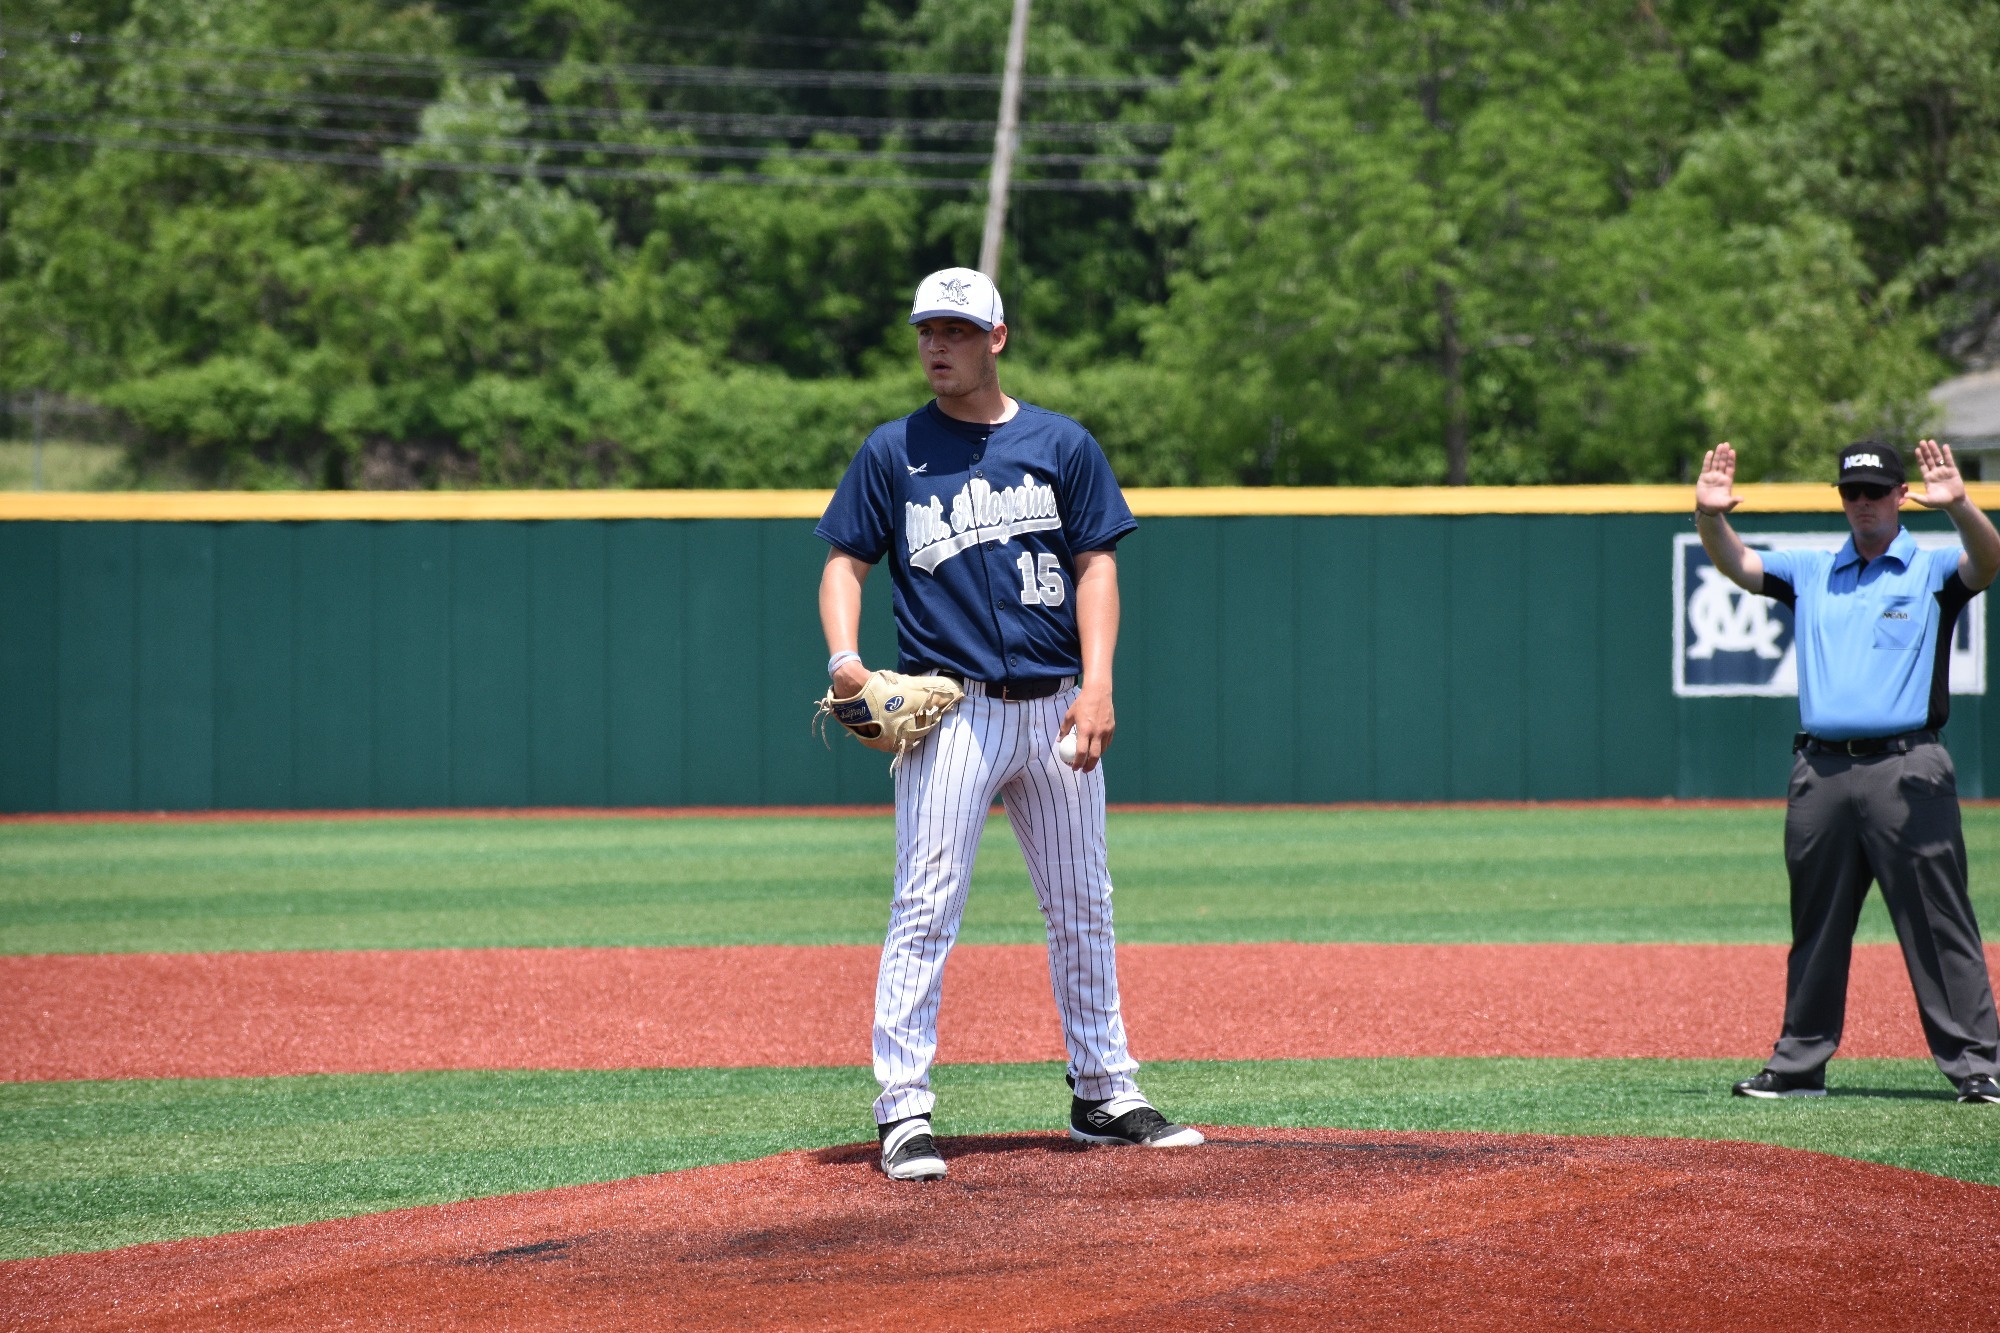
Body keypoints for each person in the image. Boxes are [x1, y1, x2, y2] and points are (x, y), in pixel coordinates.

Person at [815, 267, 1204, 1181]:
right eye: (925, 330)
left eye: (955, 328)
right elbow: (844, 562)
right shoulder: (893, 450)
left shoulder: (1060, 443)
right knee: (925, 903)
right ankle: (903, 1110)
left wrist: (1099, 682)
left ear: (997, 336)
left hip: (1058, 704)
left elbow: (1097, 565)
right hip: (953, 714)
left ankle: (1105, 1091)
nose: (936, 345)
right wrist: (846, 660)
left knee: (1083, 906)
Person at [1696, 438, 2000, 1103]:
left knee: (1937, 918)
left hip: (1907, 765)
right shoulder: (1812, 570)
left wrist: (1962, 506)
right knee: (1817, 921)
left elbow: (1988, 560)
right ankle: (1800, 1062)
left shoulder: (1931, 569)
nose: (1863, 503)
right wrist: (1710, 517)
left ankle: (1980, 1065)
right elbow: (1740, 564)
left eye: (1875, 491)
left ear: (1900, 495)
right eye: (1851, 492)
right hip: (1823, 771)